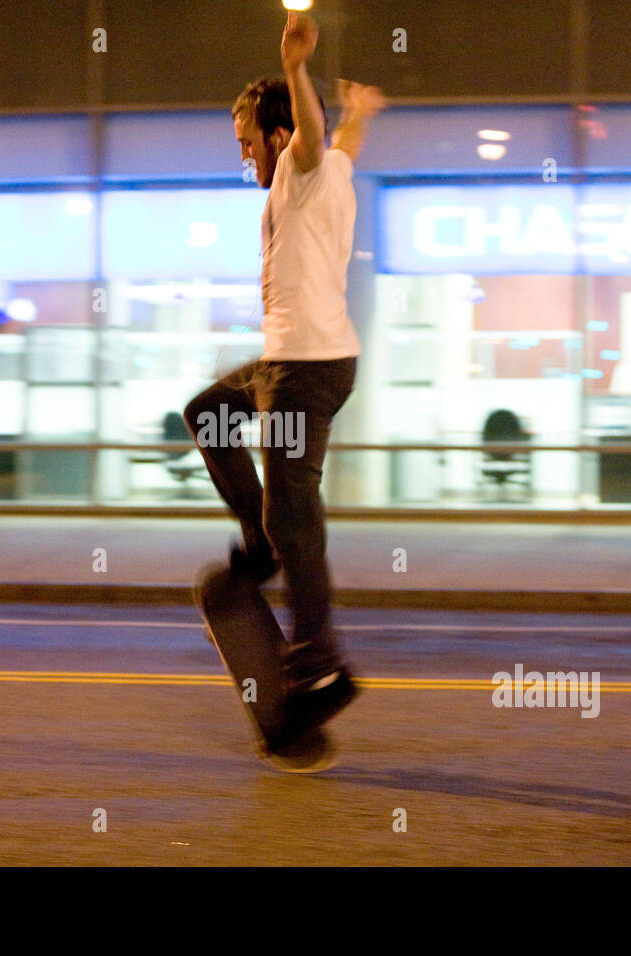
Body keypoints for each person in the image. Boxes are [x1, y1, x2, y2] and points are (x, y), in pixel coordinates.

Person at [183, 11, 386, 742]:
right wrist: (360, 114)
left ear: (277, 138)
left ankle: (320, 661)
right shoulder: (335, 167)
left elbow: (305, 129)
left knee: (293, 506)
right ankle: (262, 544)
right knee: (208, 414)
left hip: (303, 368)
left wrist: (297, 68)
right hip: (290, 361)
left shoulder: (301, 168)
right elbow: (343, 143)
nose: (245, 158)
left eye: (247, 143)